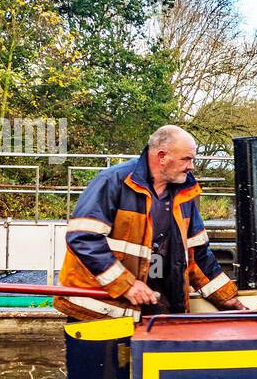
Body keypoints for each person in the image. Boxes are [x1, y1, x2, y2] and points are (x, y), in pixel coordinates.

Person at [56, 125, 242, 320]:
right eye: (186, 159)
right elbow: (83, 238)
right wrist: (126, 284)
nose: (192, 166)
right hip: (99, 312)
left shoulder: (185, 192)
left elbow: (197, 253)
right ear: (162, 157)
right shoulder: (113, 181)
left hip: (154, 307)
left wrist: (226, 297)